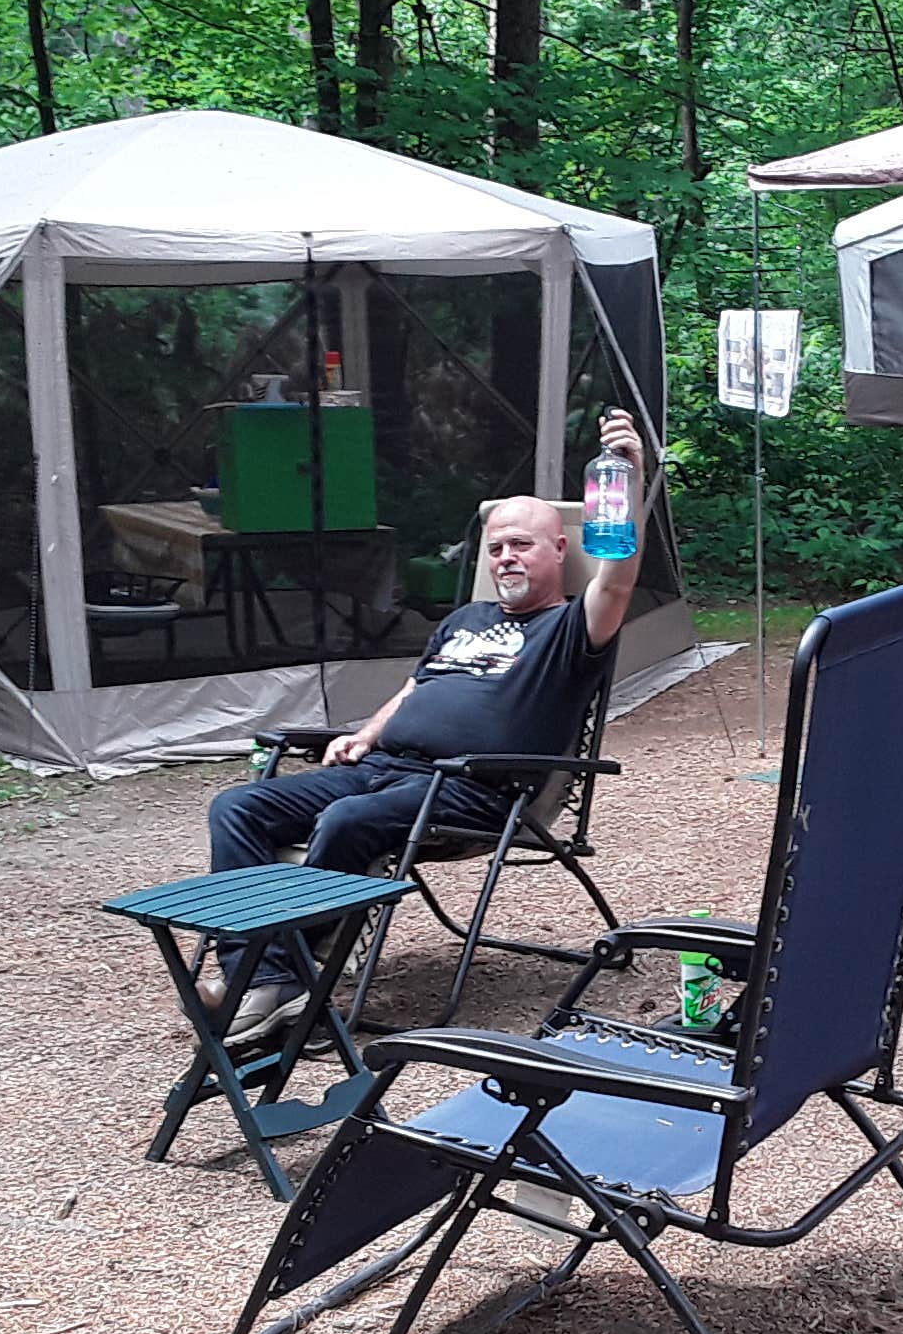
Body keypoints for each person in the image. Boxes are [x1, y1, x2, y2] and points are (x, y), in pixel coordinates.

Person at [200, 406, 650, 1041]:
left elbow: (620, 578)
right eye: (495, 548)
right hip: (385, 769)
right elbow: (417, 687)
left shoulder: (572, 627)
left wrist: (628, 476)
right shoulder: (462, 621)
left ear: (559, 550)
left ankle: (275, 982)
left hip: (474, 790)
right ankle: (268, 975)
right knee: (238, 808)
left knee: (347, 824)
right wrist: (366, 733)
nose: (506, 558)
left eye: (521, 544)